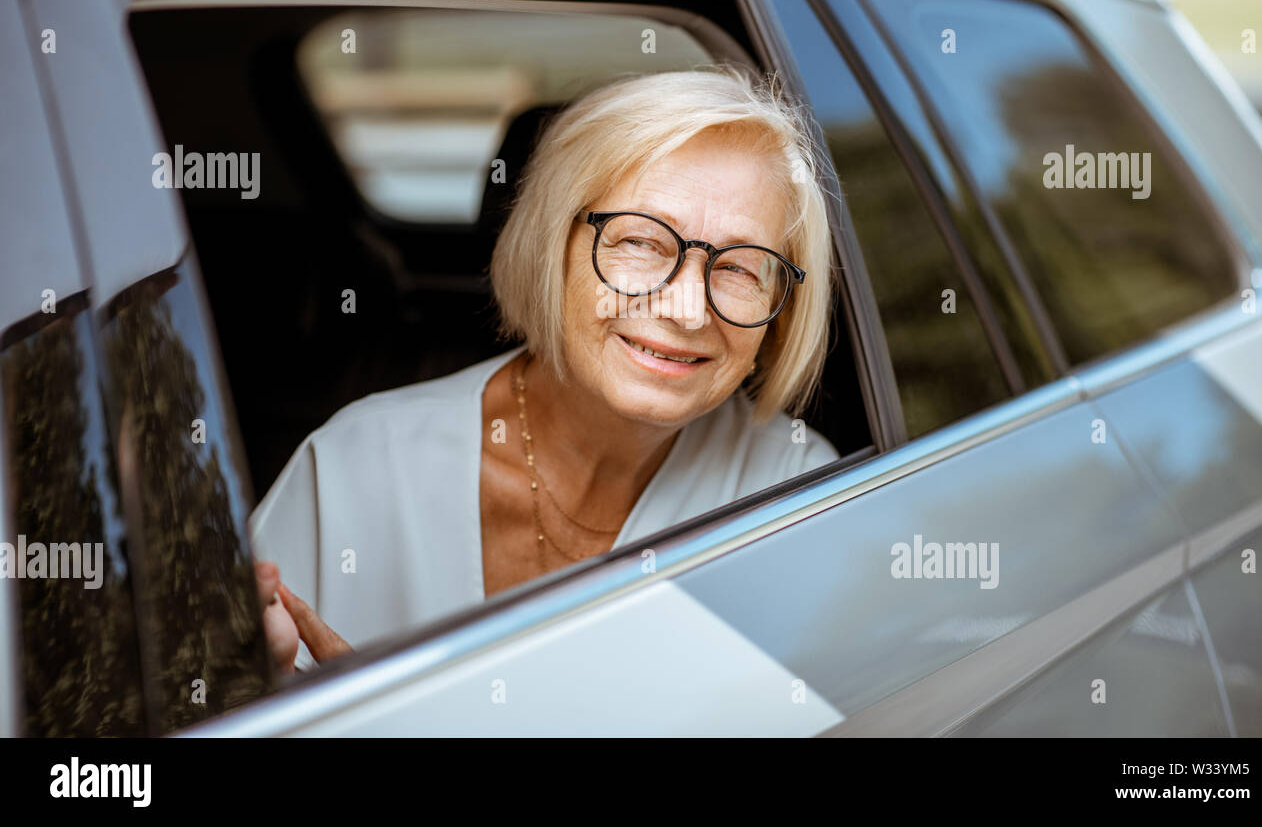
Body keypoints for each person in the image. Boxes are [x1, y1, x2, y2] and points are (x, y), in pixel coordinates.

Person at [252, 65, 840, 675]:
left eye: (742, 268)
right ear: (551, 242)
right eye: (640, 242)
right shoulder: (360, 465)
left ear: (782, 309)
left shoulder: (801, 498)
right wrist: (264, 688)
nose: (687, 309)